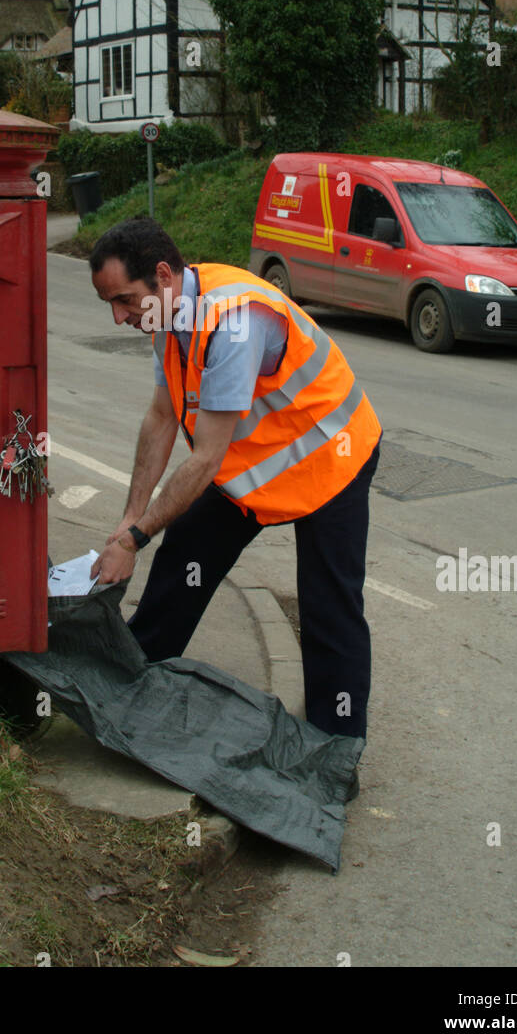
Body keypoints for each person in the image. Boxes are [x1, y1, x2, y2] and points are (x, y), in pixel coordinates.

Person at [89, 217, 382, 745]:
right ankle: (135, 675)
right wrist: (127, 521)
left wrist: (135, 540)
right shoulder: (168, 313)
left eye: (125, 300)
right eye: (110, 303)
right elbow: (160, 418)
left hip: (332, 457)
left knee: (327, 602)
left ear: (162, 275)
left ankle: (335, 746)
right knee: (187, 554)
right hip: (260, 465)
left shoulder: (234, 321)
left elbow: (203, 461)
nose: (118, 317)